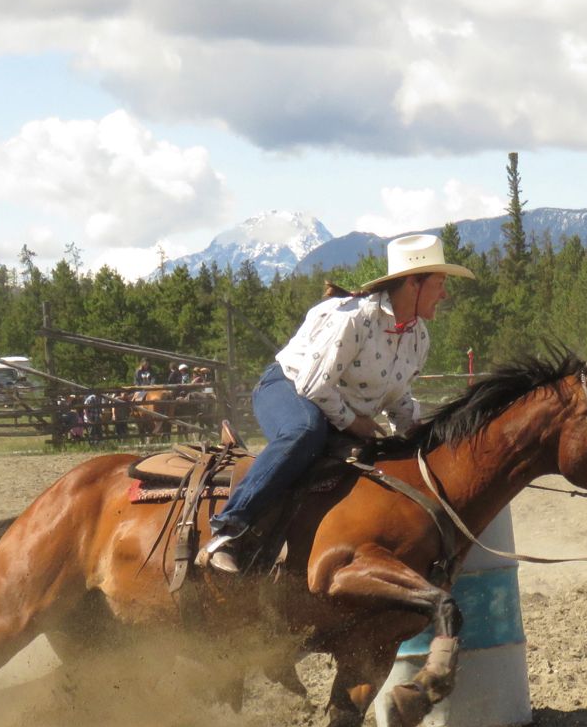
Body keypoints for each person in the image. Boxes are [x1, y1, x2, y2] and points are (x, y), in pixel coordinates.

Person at [197, 233, 476, 574]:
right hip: (288, 387)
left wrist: (425, 435)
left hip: (335, 408)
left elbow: (397, 395)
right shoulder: (355, 319)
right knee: (305, 431)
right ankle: (228, 530)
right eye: (440, 283)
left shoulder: (417, 337)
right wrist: (355, 423)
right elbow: (313, 383)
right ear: (414, 285)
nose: (445, 294)